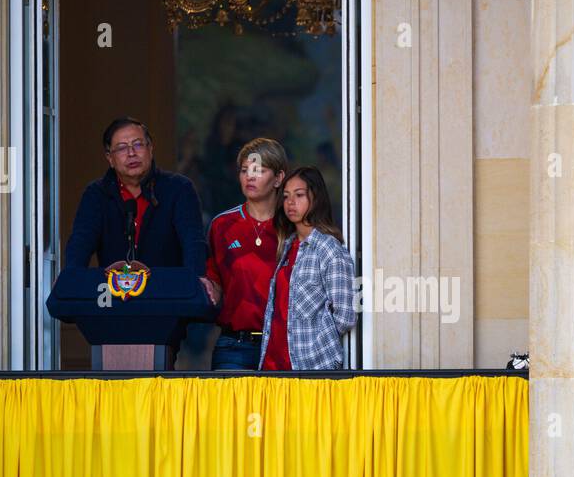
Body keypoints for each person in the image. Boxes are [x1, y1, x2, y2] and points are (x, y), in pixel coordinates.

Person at [62, 118, 212, 304]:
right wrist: (70, 282)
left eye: (138, 144)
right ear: (110, 158)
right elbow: (80, 243)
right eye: (122, 148)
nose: (131, 153)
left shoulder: (179, 189)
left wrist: (196, 282)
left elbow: (193, 243)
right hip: (113, 303)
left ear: (150, 148)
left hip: (167, 301)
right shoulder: (96, 194)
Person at [202, 139, 288, 370]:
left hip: (285, 345)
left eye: (259, 170)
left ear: (278, 178)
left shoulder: (292, 226)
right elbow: (213, 283)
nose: (250, 176)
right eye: (244, 170)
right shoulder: (222, 225)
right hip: (234, 346)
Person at [259, 166, 356, 371]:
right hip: (272, 366)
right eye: (285, 196)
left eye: (299, 195)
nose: (290, 202)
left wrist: (317, 346)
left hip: (311, 368)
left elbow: (346, 315)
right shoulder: (287, 246)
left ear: (316, 198)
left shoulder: (328, 249)